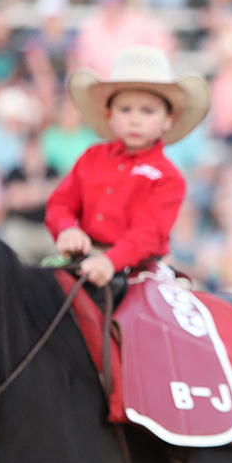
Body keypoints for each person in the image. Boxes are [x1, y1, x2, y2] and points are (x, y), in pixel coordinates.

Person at [45, 46, 210, 286]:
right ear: (109, 115)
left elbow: (148, 234)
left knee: (150, 310)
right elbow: (61, 203)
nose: (135, 120)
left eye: (147, 111)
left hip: (139, 271)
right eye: (125, 110)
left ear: (168, 120)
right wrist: (67, 229)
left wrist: (110, 261)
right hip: (84, 260)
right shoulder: (92, 157)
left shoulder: (168, 176)